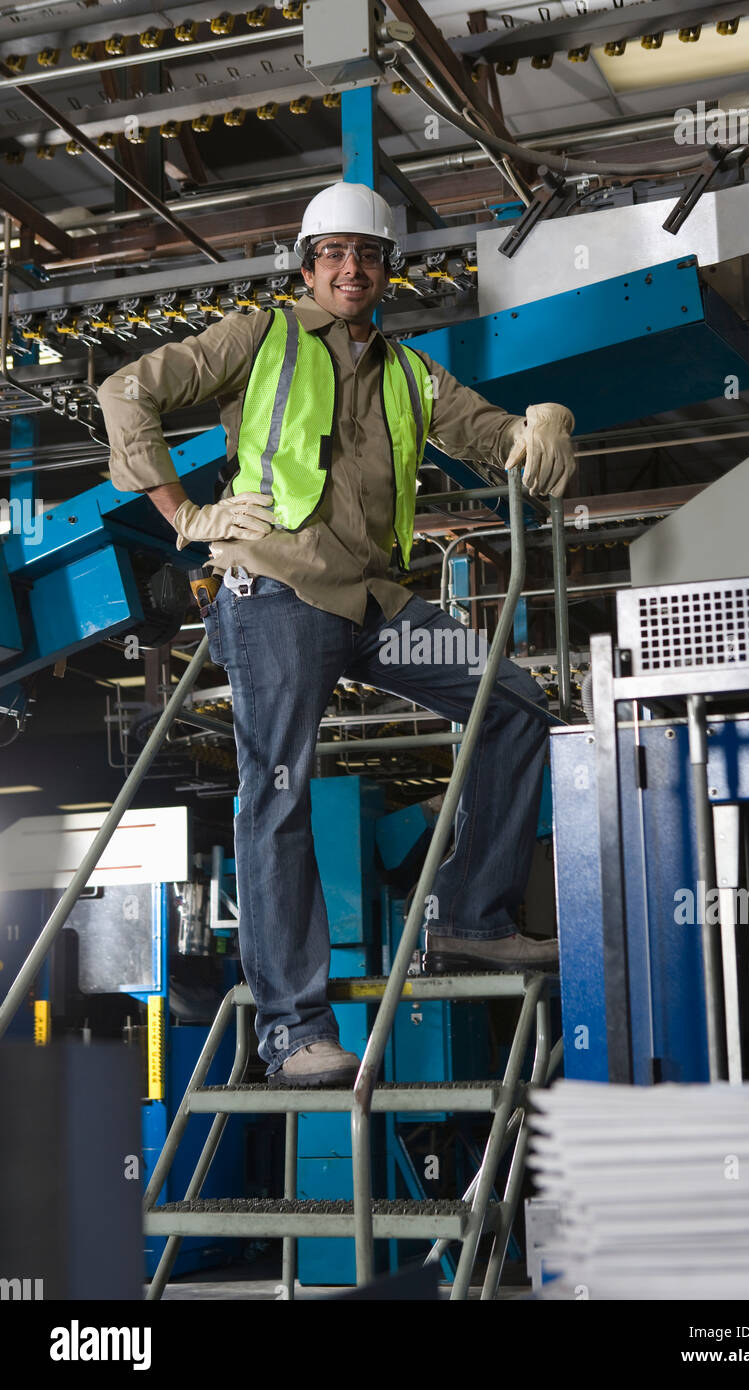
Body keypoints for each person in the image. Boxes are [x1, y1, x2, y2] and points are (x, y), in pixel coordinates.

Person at [98, 180, 576, 1089]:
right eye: (334, 254)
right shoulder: (259, 336)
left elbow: (487, 434)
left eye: (367, 254)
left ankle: (474, 915)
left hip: (374, 608)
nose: (350, 268)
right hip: (278, 595)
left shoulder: (407, 371)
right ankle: (291, 1029)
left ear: (385, 268)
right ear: (309, 264)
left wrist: (536, 424)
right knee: (277, 792)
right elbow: (127, 392)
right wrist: (185, 514)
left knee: (509, 701)